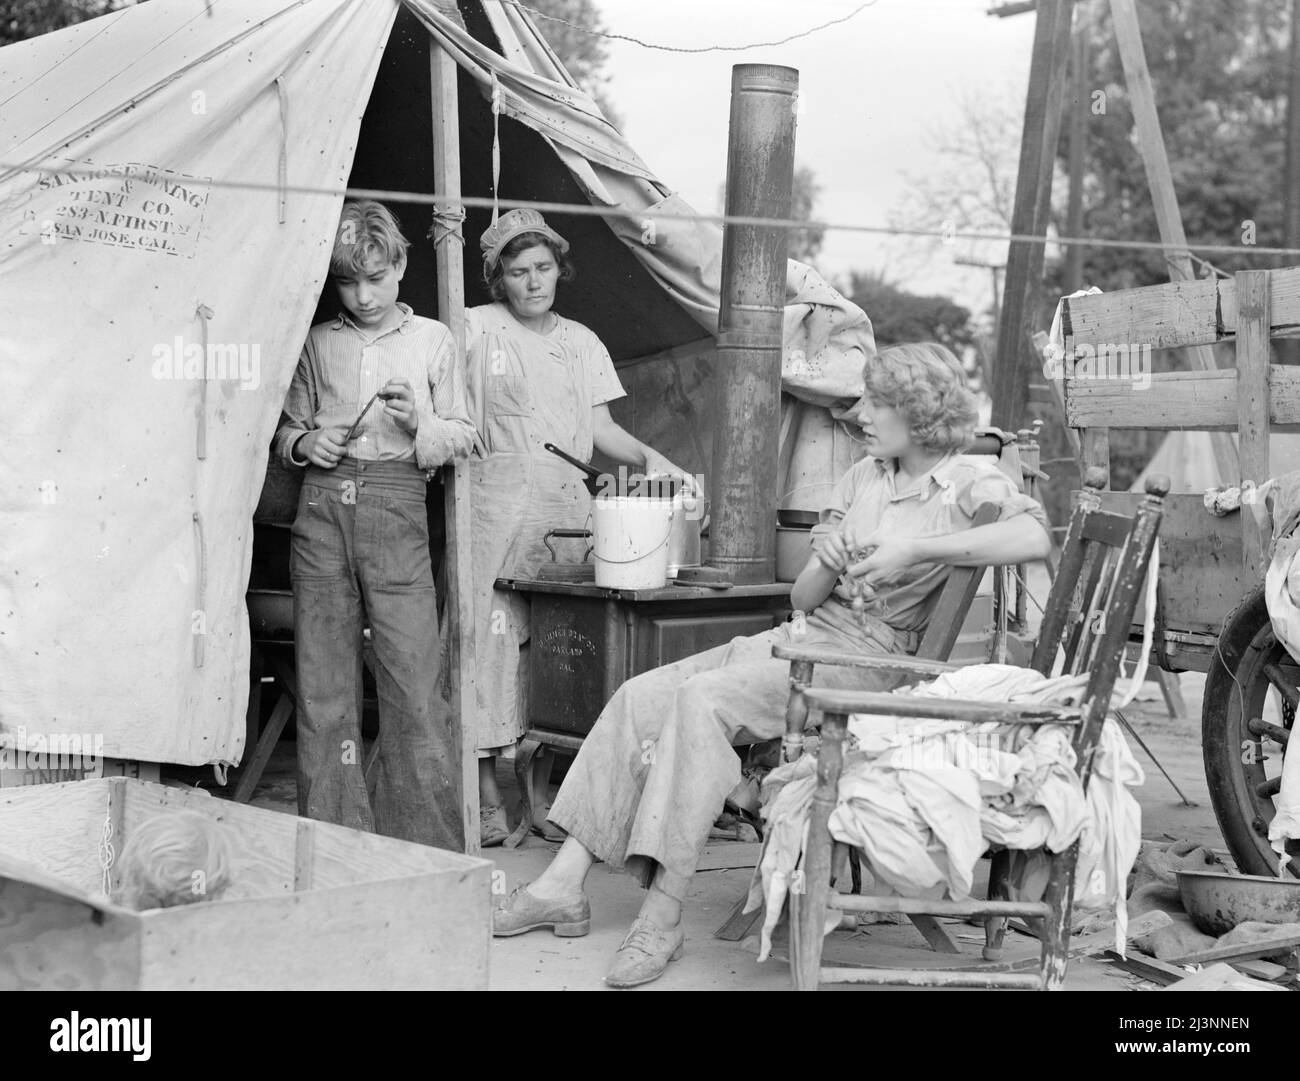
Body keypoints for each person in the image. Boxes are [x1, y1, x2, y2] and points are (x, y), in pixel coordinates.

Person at [490, 341, 1054, 987]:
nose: (861, 413)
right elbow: (802, 597)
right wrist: (828, 561)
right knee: (640, 693)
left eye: (877, 402)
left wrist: (913, 548)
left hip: (866, 663)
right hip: (806, 635)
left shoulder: (965, 479)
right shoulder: (865, 475)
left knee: (703, 701)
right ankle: (564, 882)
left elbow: (1034, 534)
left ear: (921, 414)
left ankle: (664, 913)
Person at [463, 208, 691, 847]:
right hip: (494, 512)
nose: (532, 283)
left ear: (558, 270)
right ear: (497, 277)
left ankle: (547, 799)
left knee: (562, 651)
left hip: (565, 518)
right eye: (516, 272)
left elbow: (599, 431)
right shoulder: (475, 330)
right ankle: (486, 801)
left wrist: (647, 455)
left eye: (542, 269)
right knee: (489, 646)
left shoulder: (582, 342)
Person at [274, 200, 474, 848]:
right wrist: (308, 446)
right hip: (323, 510)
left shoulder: (435, 342)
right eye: (347, 281)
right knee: (324, 690)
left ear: (402, 265)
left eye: (376, 277)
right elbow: (284, 431)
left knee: (415, 687)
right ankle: (333, 850)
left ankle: (424, 858)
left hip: (398, 504)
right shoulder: (317, 343)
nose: (362, 295)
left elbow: (468, 435)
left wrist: (421, 423)